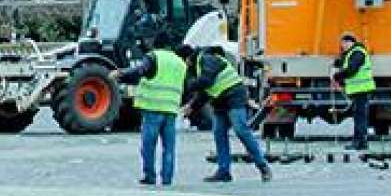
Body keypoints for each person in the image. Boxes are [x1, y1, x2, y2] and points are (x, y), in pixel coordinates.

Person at [183, 44, 272, 183]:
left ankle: (263, 166)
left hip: (234, 95)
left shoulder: (207, 58)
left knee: (241, 130)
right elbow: (205, 92)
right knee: (219, 133)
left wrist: (189, 85)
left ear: (188, 59)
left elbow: (206, 81)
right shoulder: (198, 66)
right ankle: (224, 171)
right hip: (220, 101)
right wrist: (192, 106)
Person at [114, 41, 188, 186]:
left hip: (153, 108)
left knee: (148, 145)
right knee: (169, 147)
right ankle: (167, 178)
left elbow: (140, 71)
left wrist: (120, 74)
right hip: (171, 109)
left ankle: (149, 176)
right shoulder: (180, 63)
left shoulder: (154, 56)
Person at [333, 31, 375, 150]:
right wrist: (337, 64)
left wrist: (338, 76)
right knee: (358, 116)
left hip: (362, 89)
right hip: (358, 90)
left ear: (350, 42)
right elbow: (346, 64)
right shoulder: (352, 53)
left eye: (344, 43)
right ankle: (360, 141)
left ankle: (359, 142)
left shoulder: (358, 52)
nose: (342, 46)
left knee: (360, 117)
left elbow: (352, 69)